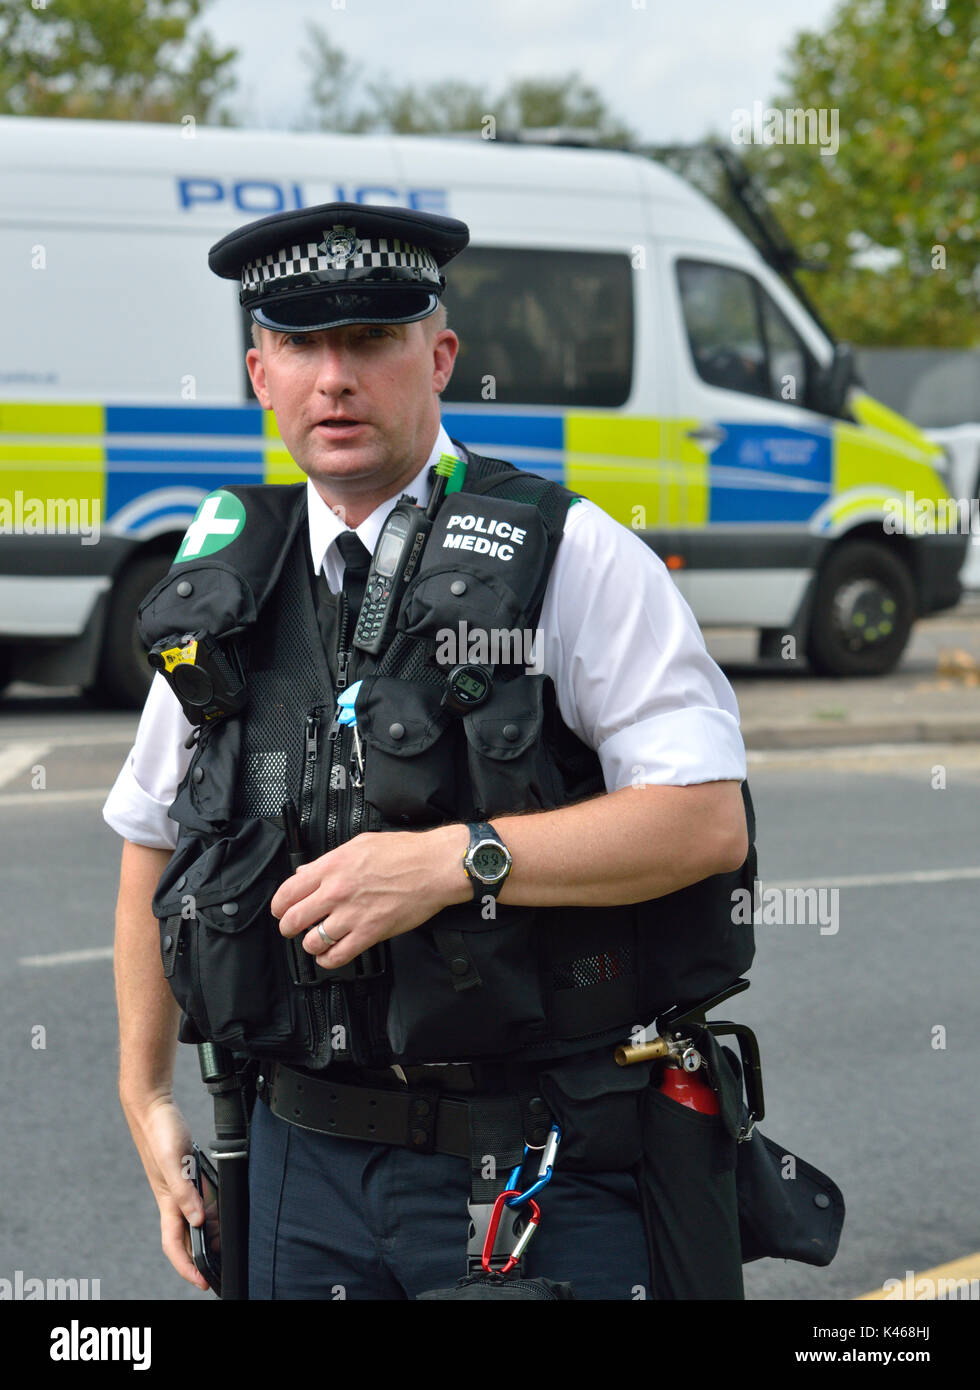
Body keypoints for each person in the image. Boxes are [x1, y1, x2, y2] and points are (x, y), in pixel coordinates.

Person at [105, 202, 752, 1301]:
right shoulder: (226, 582)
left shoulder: (570, 554)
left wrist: (457, 860)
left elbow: (703, 820)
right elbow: (152, 838)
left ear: (440, 357)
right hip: (294, 1163)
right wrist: (146, 1093)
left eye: (370, 340)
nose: (334, 379)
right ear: (260, 374)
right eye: (300, 346)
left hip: (531, 1166)